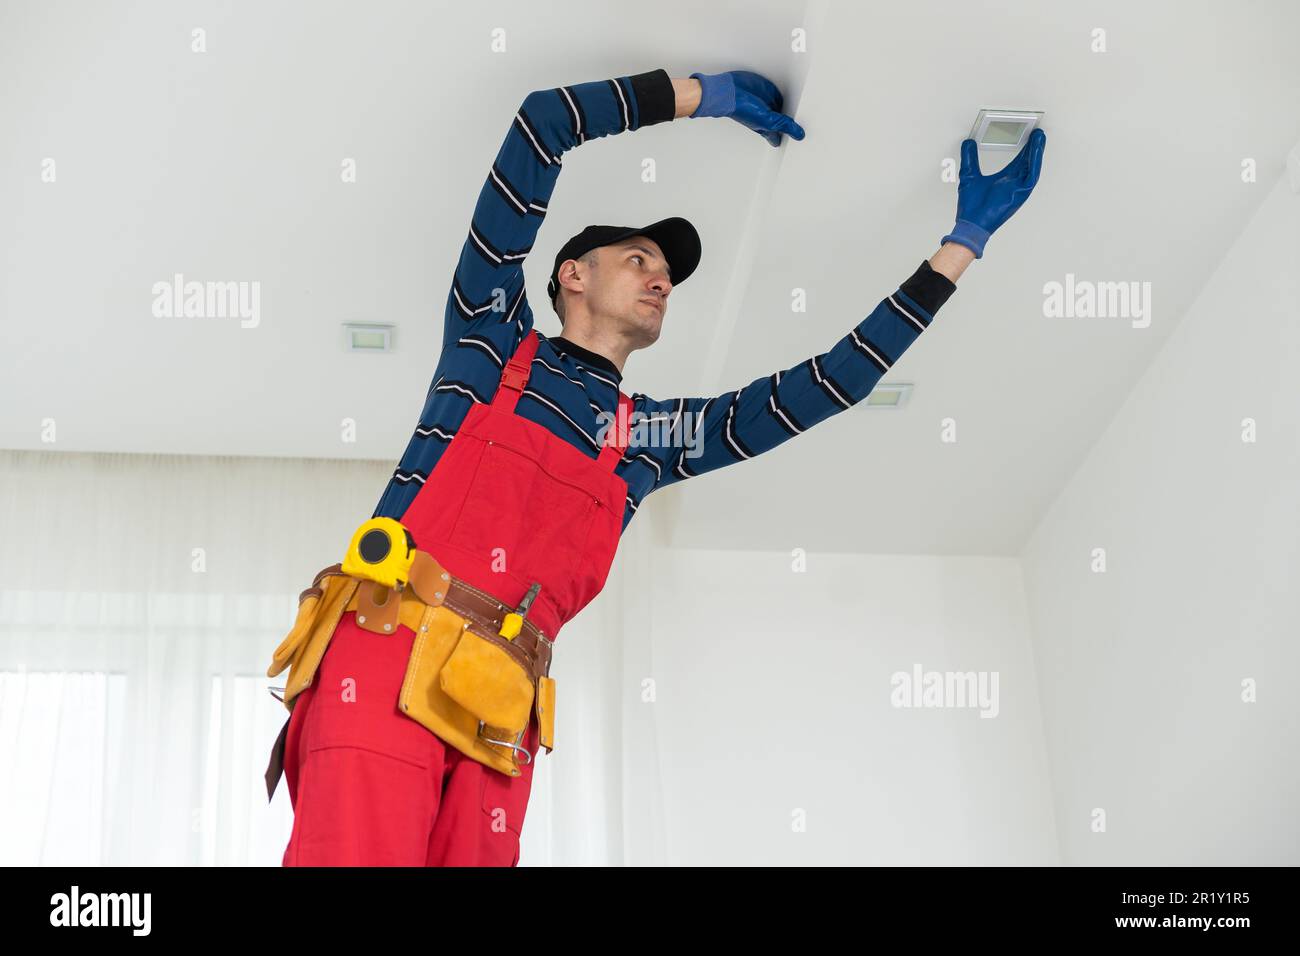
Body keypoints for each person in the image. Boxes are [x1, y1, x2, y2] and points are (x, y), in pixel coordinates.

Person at [267, 67, 1046, 866]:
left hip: (498, 709)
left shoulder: (649, 436)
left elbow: (832, 384)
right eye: (639, 259)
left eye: (665, 275)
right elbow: (544, 123)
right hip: (386, 646)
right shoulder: (487, 342)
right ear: (572, 275)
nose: (661, 278)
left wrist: (962, 246)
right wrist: (699, 94)